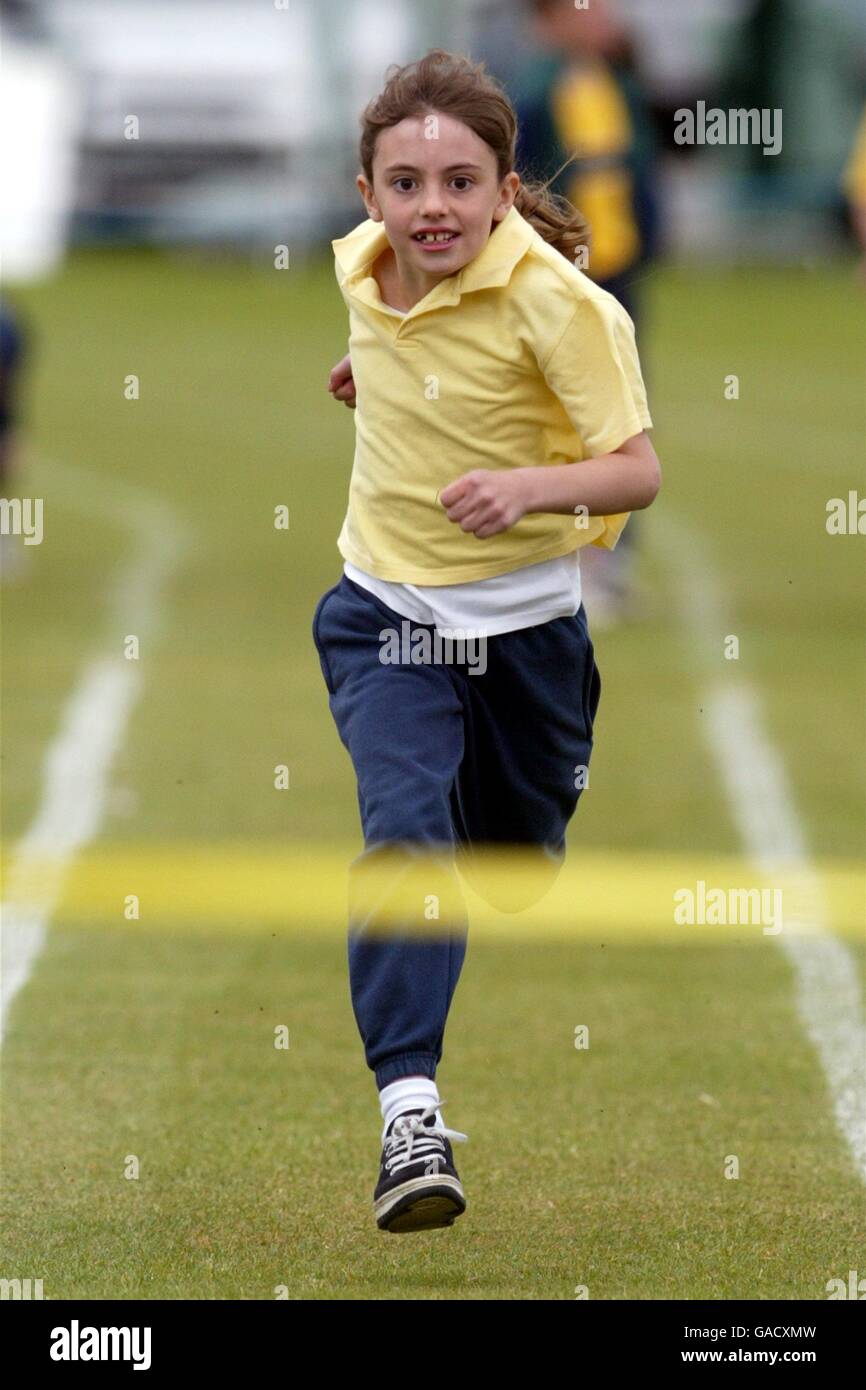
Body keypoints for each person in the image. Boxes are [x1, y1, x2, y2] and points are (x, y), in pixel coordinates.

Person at [312, 49, 660, 1234]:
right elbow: (414, 351)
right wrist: (377, 377)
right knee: (402, 841)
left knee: (512, 865)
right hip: (385, 618)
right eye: (404, 185)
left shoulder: (567, 307)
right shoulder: (362, 270)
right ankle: (409, 1113)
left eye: (461, 183)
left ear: (506, 191)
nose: (431, 208)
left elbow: (636, 470)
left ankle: (496, 824)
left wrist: (524, 488)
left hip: (524, 638)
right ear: (366, 196)